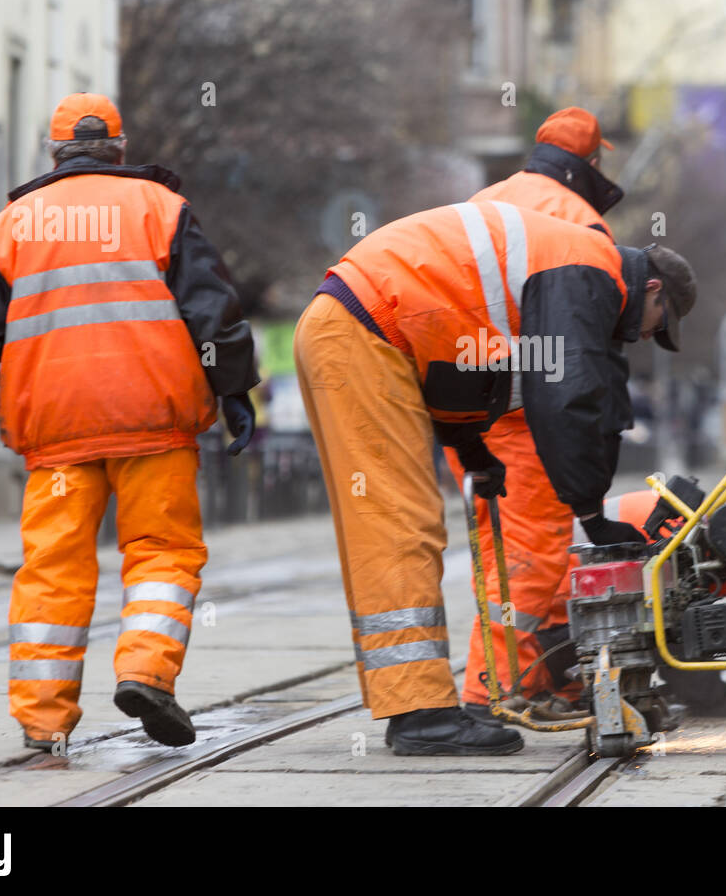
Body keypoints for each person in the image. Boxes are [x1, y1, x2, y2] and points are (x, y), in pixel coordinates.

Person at [294, 198, 695, 755]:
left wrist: (471, 447)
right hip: (366, 332)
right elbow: (565, 398)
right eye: (661, 325)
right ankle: (421, 719)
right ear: (653, 291)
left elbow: (465, 364)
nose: (651, 337)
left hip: (367, 331)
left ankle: (413, 706)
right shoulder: (590, 271)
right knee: (399, 525)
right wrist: (589, 513)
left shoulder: (576, 264)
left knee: (396, 522)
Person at [0, 93, 258, 751]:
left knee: (54, 567)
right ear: (120, 148)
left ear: (54, 153)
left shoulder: (11, 226)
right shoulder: (163, 211)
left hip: (55, 435)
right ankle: (145, 671)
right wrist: (235, 394)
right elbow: (213, 314)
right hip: (155, 423)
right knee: (162, 552)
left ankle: (42, 721)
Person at [447, 107, 632, 719]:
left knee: (506, 548)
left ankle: (553, 681)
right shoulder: (580, 222)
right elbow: (580, 343)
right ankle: (490, 694)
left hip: (465, 401)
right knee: (528, 556)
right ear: (593, 162)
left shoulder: (487, 197)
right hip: (525, 411)